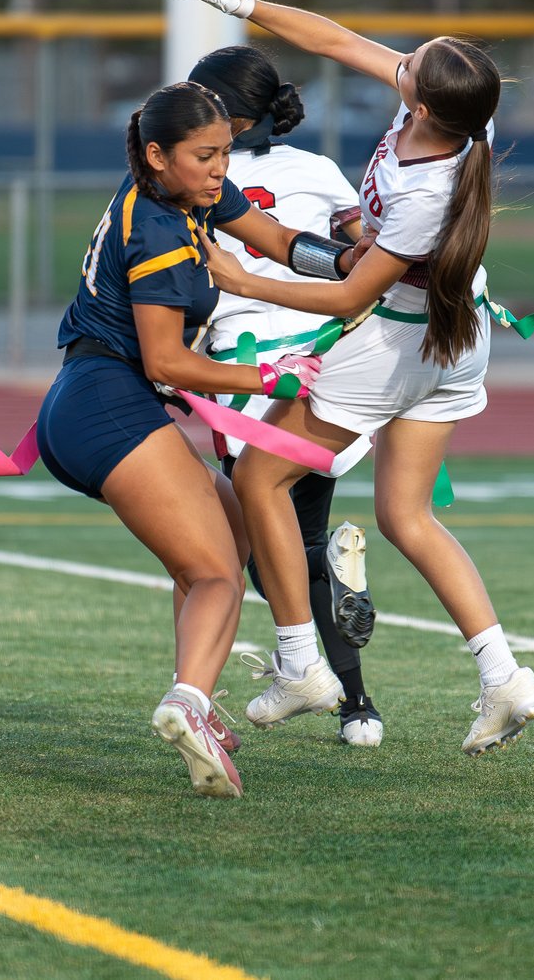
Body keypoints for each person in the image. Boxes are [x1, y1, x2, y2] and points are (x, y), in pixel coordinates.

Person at [166, 0, 534, 757]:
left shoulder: (424, 193)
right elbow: (335, 40)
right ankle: (506, 678)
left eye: (411, 63)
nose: (398, 60)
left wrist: (241, 279)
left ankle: (301, 665)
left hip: (399, 339)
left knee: (257, 478)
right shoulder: (454, 116)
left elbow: (350, 296)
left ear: (421, 104)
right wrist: (243, 3)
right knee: (407, 516)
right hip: (456, 334)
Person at [34, 80, 336, 798]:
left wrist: (357, 261)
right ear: (157, 155)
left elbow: (277, 241)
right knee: (214, 575)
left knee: (234, 532)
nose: (220, 170)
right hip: (107, 405)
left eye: (226, 152)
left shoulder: (180, 189)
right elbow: (167, 363)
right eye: (206, 156)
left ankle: (193, 695)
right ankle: (188, 703)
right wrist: (268, 377)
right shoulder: (161, 229)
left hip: (102, 399)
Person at [187, 43, 383, 747]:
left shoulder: (196, 173)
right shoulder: (319, 169)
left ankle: (340, 688)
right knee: (297, 537)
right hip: (321, 360)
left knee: (264, 550)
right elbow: (360, 257)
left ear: (226, 115)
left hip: (245, 371)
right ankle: (357, 706)